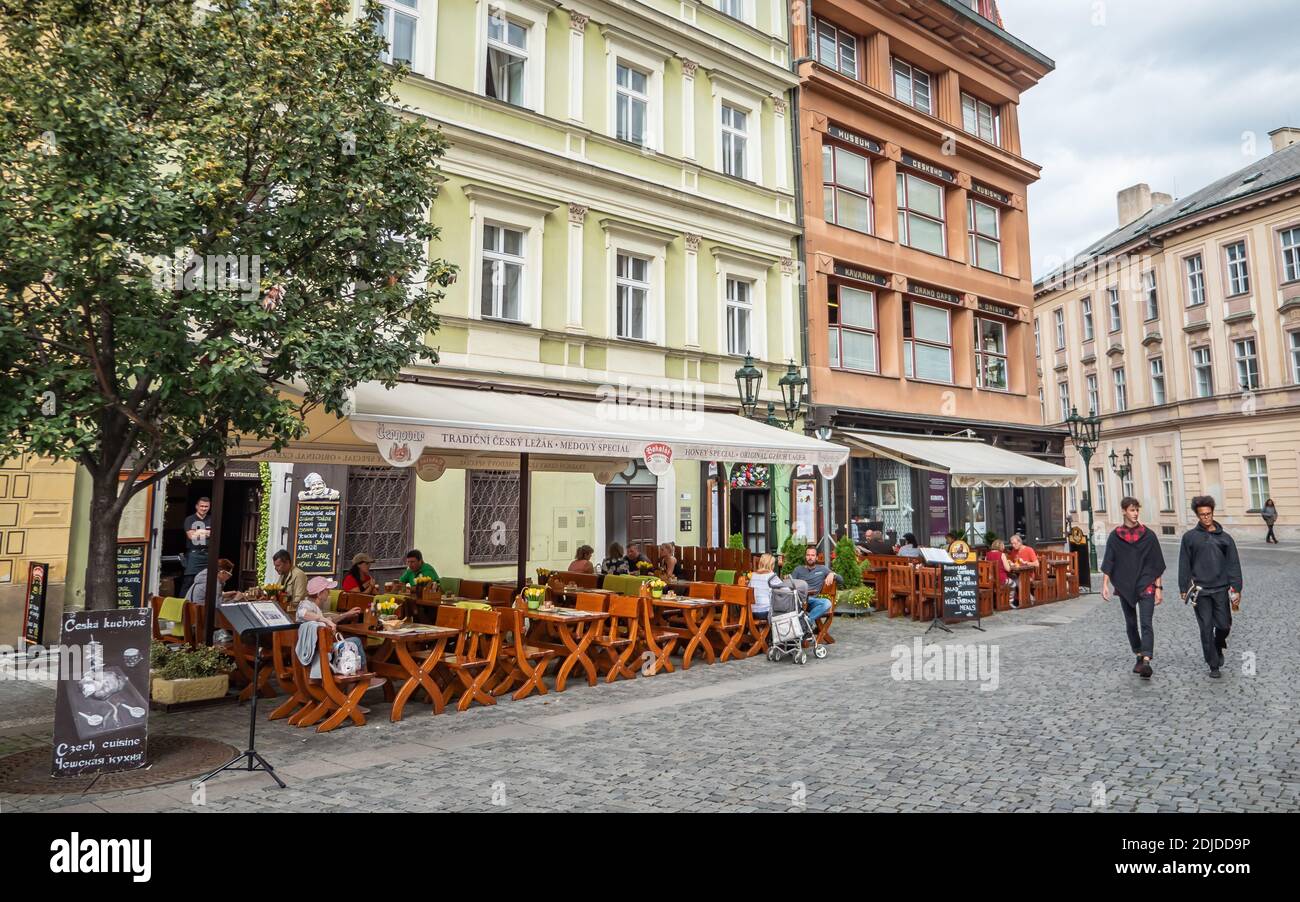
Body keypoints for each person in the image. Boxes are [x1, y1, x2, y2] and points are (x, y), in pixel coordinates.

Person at [1101, 497, 1166, 679]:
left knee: (1146, 622)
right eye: (1131, 510)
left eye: (1137, 510)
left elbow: (1156, 563)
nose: (1135, 513)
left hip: (1146, 584)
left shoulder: (1149, 535)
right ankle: (1138, 653)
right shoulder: (1116, 536)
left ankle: (1146, 660)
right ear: (1124, 511)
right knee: (1130, 624)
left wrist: (1159, 588)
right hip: (1125, 584)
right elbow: (1109, 560)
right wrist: (1105, 584)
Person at [1178, 496, 1243, 679]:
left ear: (1213, 513)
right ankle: (1213, 664)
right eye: (1202, 515)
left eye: (1208, 514)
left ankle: (1219, 642)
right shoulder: (1189, 538)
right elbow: (1184, 563)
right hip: (1200, 591)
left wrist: (1236, 588)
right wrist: (1184, 587)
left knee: (1223, 626)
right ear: (1197, 516)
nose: (1206, 517)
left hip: (1221, 589)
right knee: (1205, 628)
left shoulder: (1225, 539)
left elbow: (1233, 564)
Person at [790, 545, 841, 627]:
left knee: (827, 603)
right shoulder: (798, 570)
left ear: (816, 557)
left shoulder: (822, 569)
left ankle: (807, 620)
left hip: (812, 602)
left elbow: (841, 580)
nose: (810, 557)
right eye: (808, 555)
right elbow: (790, 585)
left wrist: (832, 574)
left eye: (813, 555)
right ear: (805, 556)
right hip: (799, 601)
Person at [180, 497, 212, 597]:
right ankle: (182, 605)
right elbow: (191, 536)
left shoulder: (212, 519)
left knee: (207, 581)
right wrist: (206, 533)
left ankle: (201, 606)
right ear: (197, 507)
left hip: (208, 554)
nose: (204, 508)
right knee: (189, 581)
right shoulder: (190, 519)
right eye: (202, 506)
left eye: (206, 506)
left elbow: (215, 534)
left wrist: (198, 532)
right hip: (194, 554)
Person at [1006, 534, 1038, 608]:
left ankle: (1027, 599)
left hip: (1028, 575)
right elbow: (1013, 562)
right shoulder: (1013, 551)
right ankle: (1023, 598)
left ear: (1020, 542)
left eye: (1015, 543)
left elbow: (1037, 564)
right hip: (1017, 574)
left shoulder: (1029, 550)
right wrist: (1010, 563)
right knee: (1010, 579)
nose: (1013, 545)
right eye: (1012, 544)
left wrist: (1026, 563)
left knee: (1018, 581)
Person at [750, 552, 777, 620]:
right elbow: (785, 590)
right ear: (771, 565)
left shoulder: (753, 575)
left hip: (752, 611)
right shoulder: (771, 576)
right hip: (765, 612)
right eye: (773, 564)